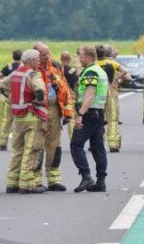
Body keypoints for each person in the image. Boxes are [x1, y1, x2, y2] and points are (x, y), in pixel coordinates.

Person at [0, 50, 46, 193]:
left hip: (18, 118)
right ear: (31, 61)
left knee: (17, 151)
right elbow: (40, 91)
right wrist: (38, 101)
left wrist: (12, 98)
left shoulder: (15, 74)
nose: (39, 62)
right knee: (31, 151)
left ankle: (11, 184)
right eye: (37, 60)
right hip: (31, 117)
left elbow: (2, 86)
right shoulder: (32, 75)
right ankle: (26, 184)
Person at [69, 47, 110, 193]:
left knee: (76, 144)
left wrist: (80, 114)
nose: (79, 59)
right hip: (98, 113)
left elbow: (90, 94)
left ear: (89, 57)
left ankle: (86, 176)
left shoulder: (91, 72)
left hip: (89, 113)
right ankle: (101, 181)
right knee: (97, 147)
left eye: (81, 56)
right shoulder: (100, 70)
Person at [34, 44, 72, 191]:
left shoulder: (56, 66)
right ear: (36, 55)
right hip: (37, 110)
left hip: (55, 109)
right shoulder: (30, 68)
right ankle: (36, 179)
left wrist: (67, 113)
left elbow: (65, 90)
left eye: (48, 54)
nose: (47, 57)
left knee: (54, 145)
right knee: (37, 145)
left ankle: (54, 179)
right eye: (44, 55)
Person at [99, 45, 124, 152]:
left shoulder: (93, 65)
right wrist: (116, 79)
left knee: (98, 120)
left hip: (96, 93)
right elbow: (124, 71)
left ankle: (96, 143)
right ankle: (113, 144)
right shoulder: (111, 63)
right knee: (112, 119)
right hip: (109, 91)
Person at [0, 48, 21, 149]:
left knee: (6, 120)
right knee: (20, 121)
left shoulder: (9, 67)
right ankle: (18, 143)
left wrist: (4, 91)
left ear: (13, 57)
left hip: (10, 97)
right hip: (21, 98)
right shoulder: (24, 68)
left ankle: (2, 143)